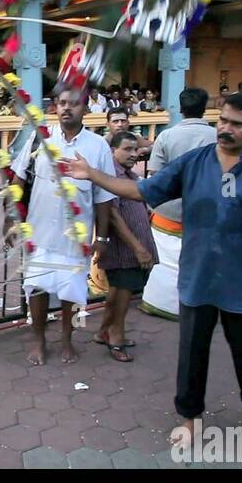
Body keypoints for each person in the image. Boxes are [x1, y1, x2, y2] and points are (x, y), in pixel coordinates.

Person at [69, 92, 242, 449]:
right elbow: (141, 190)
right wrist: (92, 174)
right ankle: (190, 416)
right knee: (193, 352)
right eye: (223, 120)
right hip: (198, 278)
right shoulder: (195, 161)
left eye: (237, 124)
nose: (225, 129)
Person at [11, 85, 115, 365]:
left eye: (75, 104)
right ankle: (39, 340)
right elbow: (18, 179)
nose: (67, 108)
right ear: (55, 106)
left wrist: (102, 239)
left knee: (71, 291)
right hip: (40, 233)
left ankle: (67, 340)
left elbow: (104, 198)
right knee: (38, 288)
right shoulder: (39, 139)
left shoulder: (98, 146)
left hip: (75, 238)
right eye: (62, 103)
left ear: (86, 108)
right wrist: (12, 220)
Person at [140, 88, 217, 321]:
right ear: (205, 108)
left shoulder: (166, 136)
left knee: (165, 262)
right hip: (206, 212)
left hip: (168, 211)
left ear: (181, 109)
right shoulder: (217, 137)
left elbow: (155, 175)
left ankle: (160, 305)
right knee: (201, 261)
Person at [95, 132, 157, 362]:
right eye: (127, 149)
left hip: (132, 246)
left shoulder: (127, 174)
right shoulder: (111, 177)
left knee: (118, 292)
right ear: (112, 151)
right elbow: (112, 215)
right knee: (123, 295)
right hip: (123, 249)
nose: (134, 154)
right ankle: (115, 336)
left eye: (135, 149)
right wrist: (137, 247)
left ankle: (104, 331)